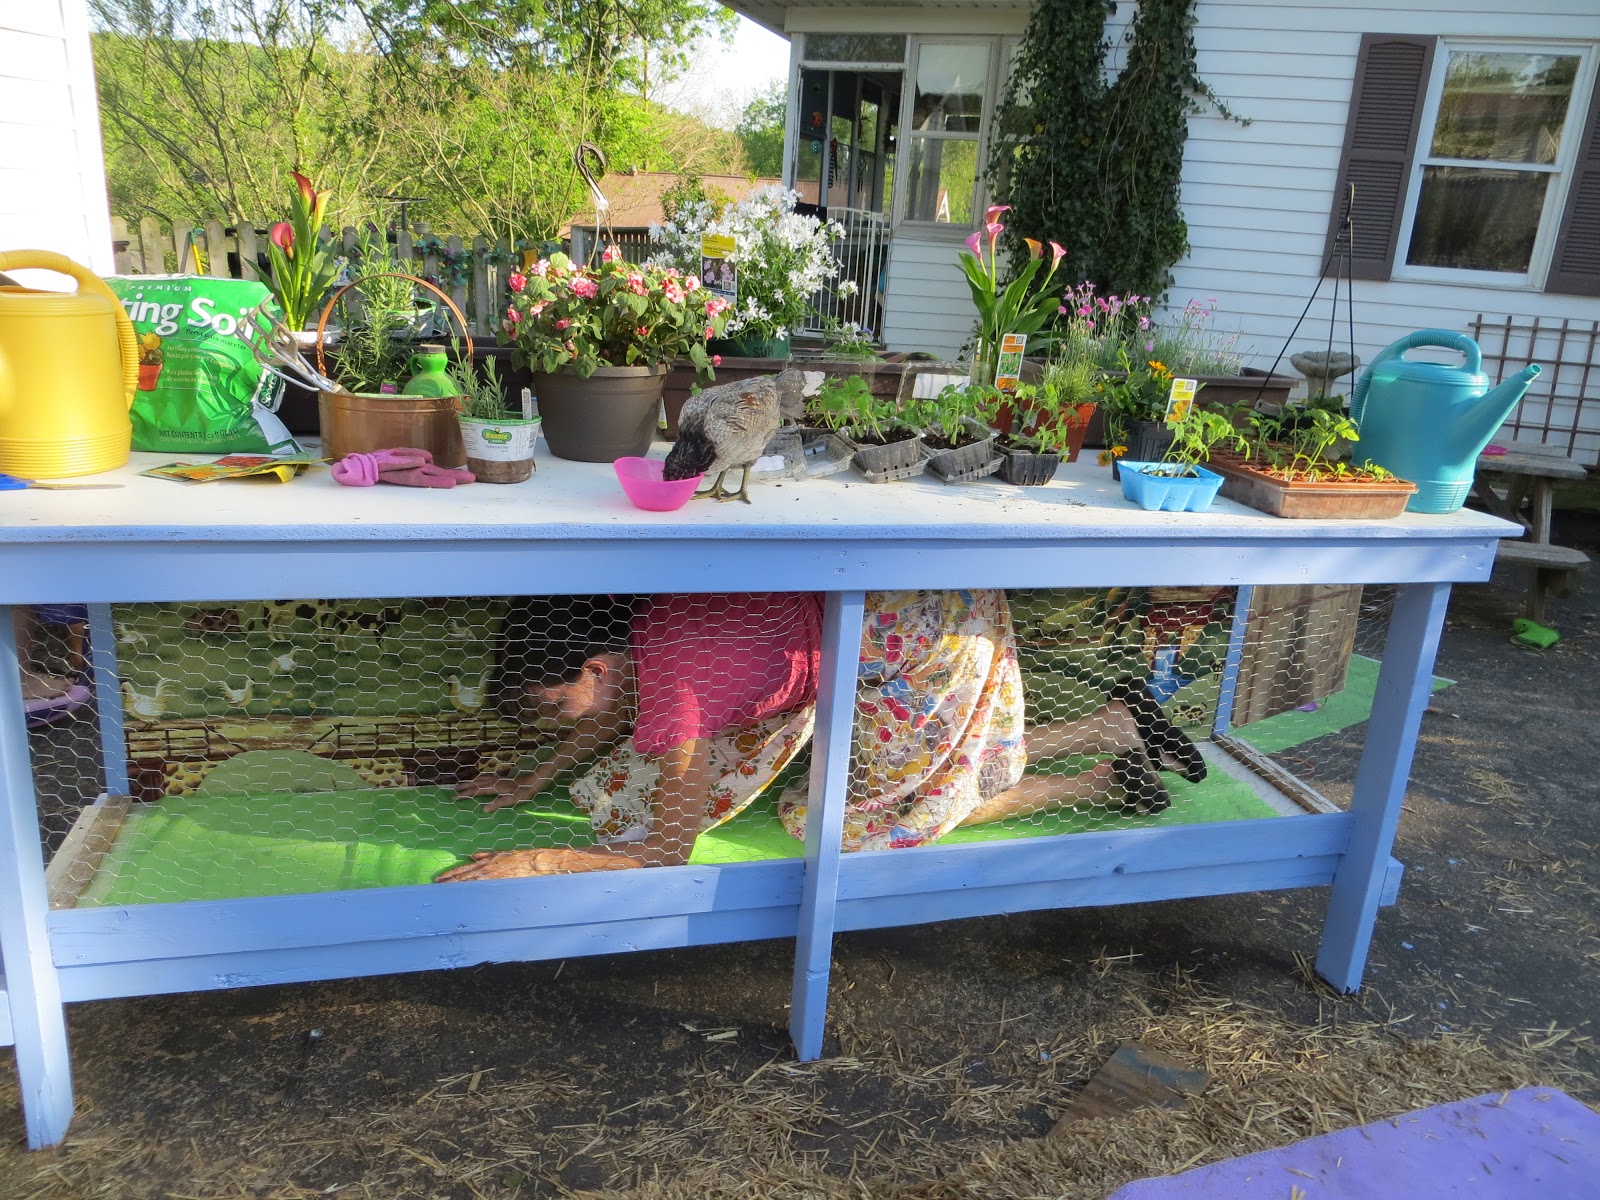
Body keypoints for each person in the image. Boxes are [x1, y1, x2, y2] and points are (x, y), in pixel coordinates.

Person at [436, 590, 1204, 882]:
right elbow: (606, 714)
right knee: (630, 787)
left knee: (841, 822)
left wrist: (540, 861)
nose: (557, 723)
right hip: (904, 602)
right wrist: (533, 779)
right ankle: (1118, 723)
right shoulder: (651, 618)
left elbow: (663, 857)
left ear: (597, 669)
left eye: (552, 706)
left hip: (919, 642)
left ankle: (1102, 782)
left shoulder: (675, 699)